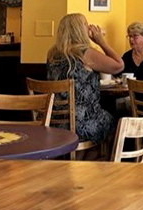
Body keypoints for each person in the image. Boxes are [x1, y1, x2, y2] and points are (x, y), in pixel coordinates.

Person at [47, 13, 124, 154]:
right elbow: (119, 66)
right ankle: (99, 162)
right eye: (85, 24)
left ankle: (80, 159)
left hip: (54, 120)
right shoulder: (85, 53)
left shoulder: (52, 54)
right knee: (113, 121)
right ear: (79, 30)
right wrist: (101, 41)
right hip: (82, 122)